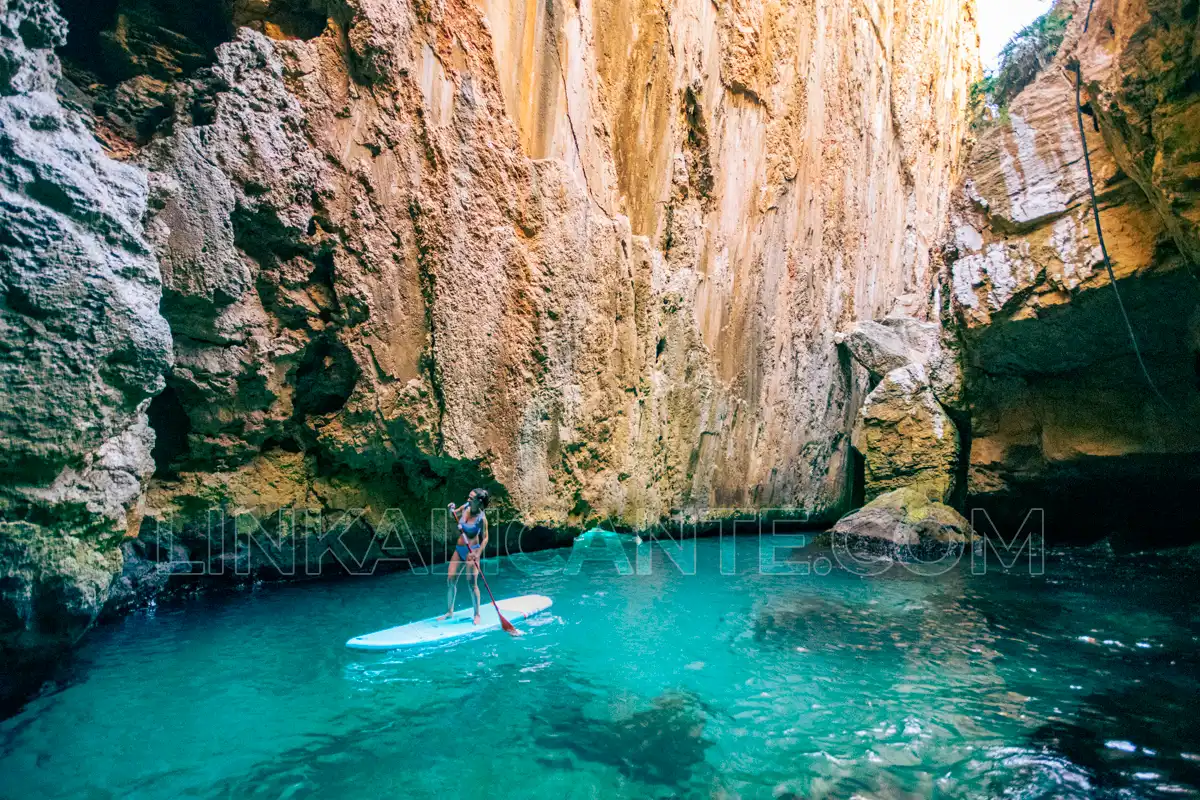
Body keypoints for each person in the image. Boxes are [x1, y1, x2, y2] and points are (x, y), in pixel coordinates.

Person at [441, 488, 490, 624]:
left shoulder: (482, 519)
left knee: (471, 584)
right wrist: (451, 509)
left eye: (471, 498)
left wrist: (478, 553)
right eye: (468, 497)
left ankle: (477, 614)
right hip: (459, 550)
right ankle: (449, 612)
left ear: (479, 501)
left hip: (472, 552)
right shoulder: (465, 507)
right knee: (450, 580)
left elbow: (486, 538)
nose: (468, 499)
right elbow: (452, 514)